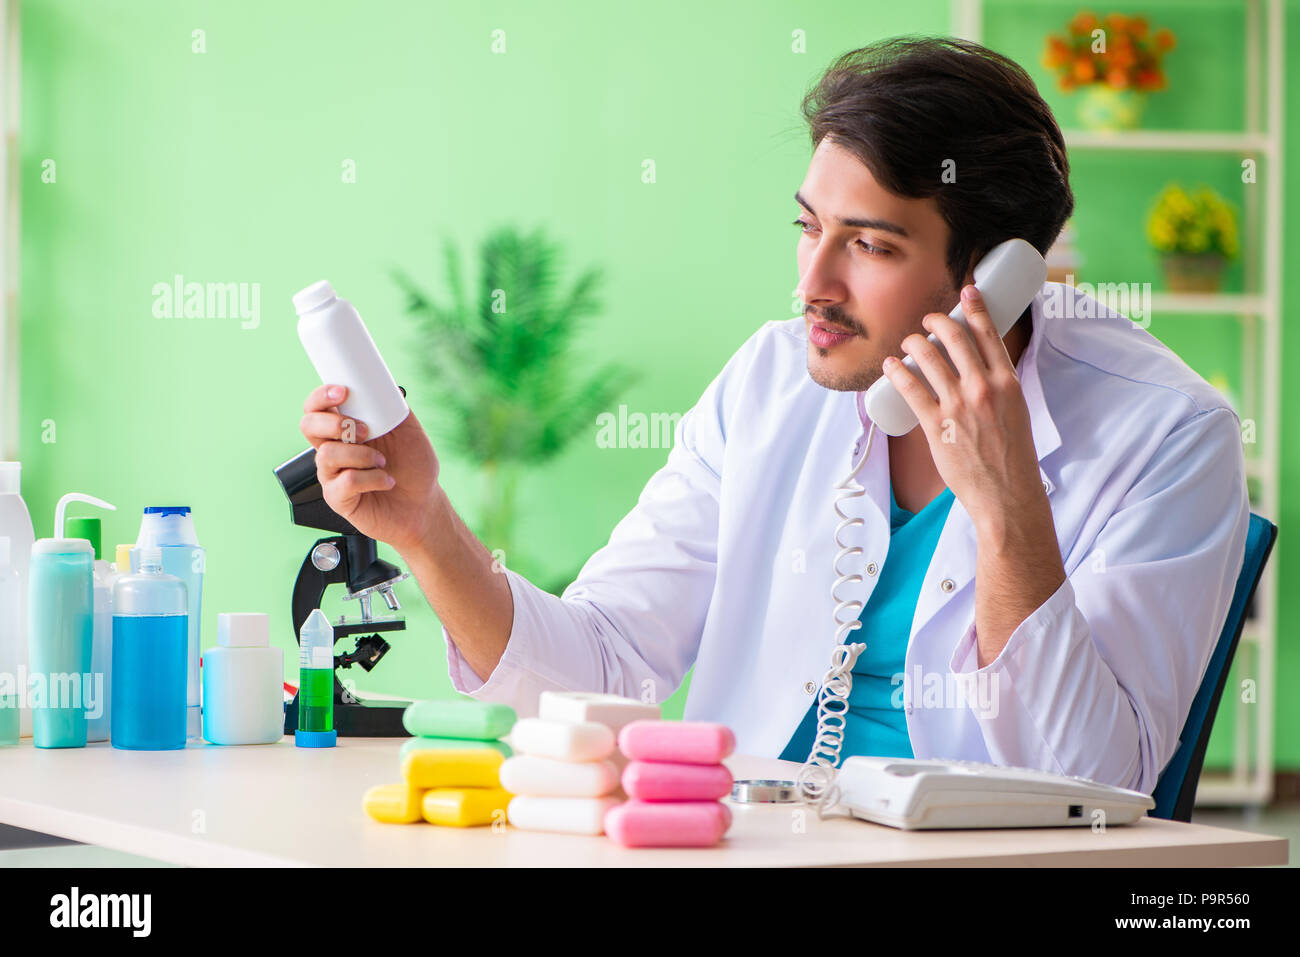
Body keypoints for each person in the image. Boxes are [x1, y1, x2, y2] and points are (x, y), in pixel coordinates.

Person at [298, 37, 1248, 793]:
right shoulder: (771, 380)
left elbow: (1094, 788)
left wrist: (1006, 510)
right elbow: (606, 659)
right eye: (808, 227)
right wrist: (426, 528)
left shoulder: (1167, 435)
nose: (813, 285)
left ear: (993, 279)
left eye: (869, 244)